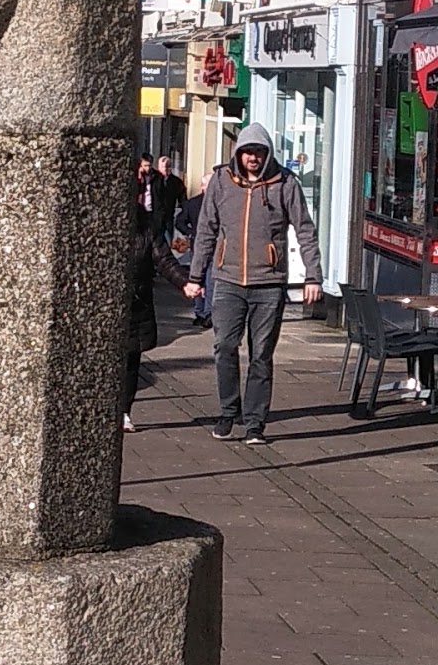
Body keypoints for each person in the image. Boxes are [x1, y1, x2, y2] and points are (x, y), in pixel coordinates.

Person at [189, 122, 323, 446]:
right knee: (224, 348)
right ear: (238, 153)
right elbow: (206, 230)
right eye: (247, 152)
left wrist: (313, 275)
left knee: (261, 354)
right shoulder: (222, 181)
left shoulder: (284, 183)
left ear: (266, 154)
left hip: (269, 283)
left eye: (258, 152)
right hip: (228, 280)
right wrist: (195, 276)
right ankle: (227, 412)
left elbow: (305, 230)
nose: (252, 158)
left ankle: (254, 424)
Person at [124, 203, 202, 431]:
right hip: (104, 304)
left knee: (130, 360)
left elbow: (164, 260)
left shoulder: (145, 223)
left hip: (136, 302)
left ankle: (124, 412)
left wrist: (184, 283)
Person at [176, 170, 214, 328]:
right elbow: (180, 222)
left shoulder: (220, 203)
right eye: (208, 185)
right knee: (197, 279)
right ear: (202, 186)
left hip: (215, 247)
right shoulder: (193, 203)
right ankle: (200, 312)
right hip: (197, 247)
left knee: (211, 281)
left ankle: (208, 313)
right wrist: (191, 233)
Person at [156, 155, 187, 237]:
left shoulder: (176, 182)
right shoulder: (154, 180)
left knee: (169, 240)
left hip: (169, 217)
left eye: (168, 166)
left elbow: (183, 200)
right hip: (155, 218)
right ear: (158, 167)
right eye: (163, 166)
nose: (165, 169)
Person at [136, 152, 163, 230]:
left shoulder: (158, 177)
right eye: (145, 166)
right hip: (141, 210)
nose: (147, 168)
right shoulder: (138, 176)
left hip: (153, 210)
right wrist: (139, 176)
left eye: (149, 165)